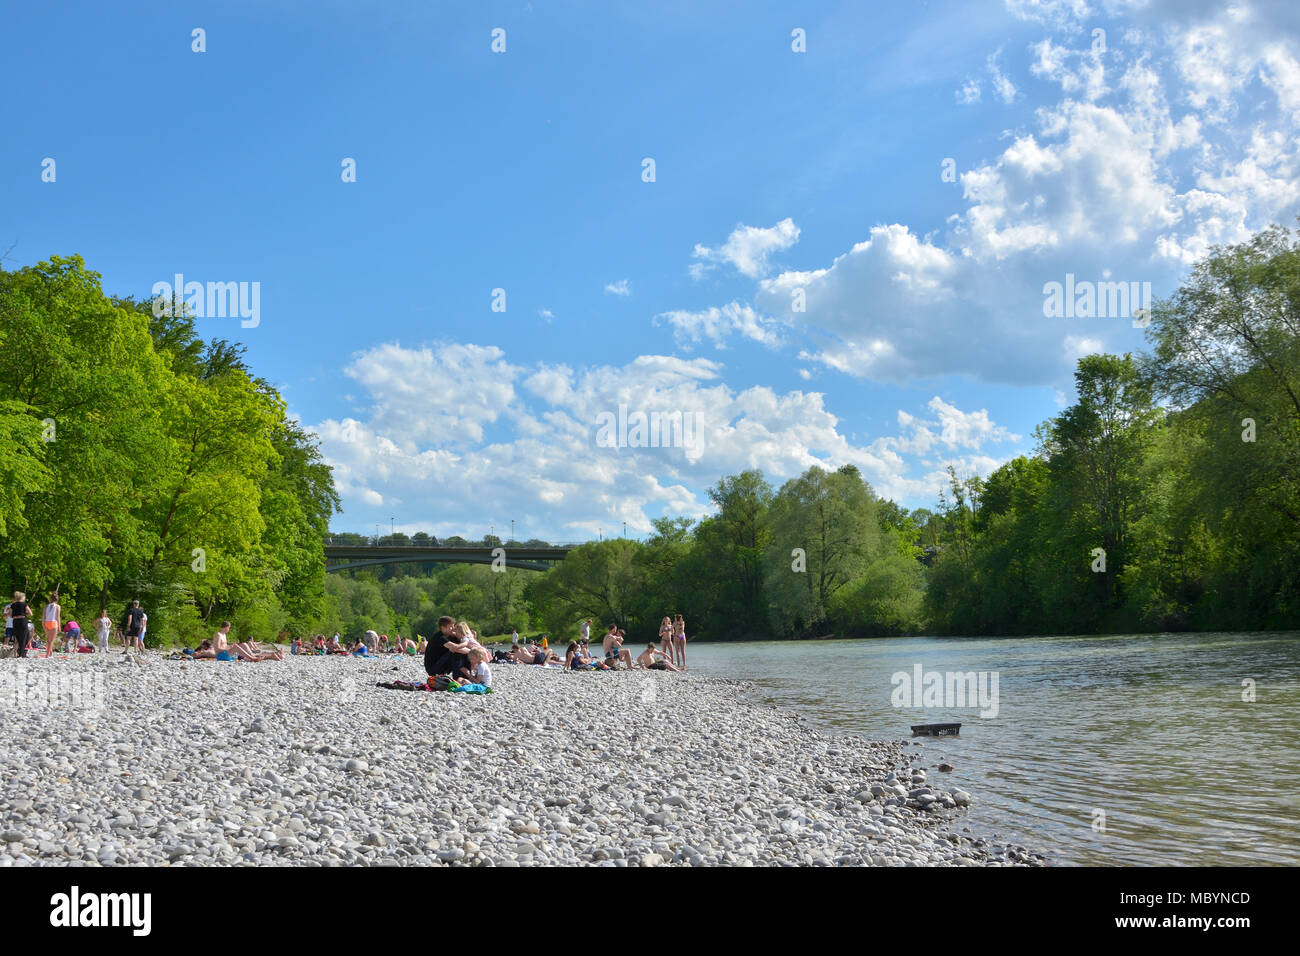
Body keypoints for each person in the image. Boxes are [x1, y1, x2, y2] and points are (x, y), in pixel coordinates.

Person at [10, 592, 30, 658]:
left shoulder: (13, 605)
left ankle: (19, 652)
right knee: (25, 637)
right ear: (22, 597)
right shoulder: (24, 604)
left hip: (15, 621)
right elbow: (30, 613)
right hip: (22, 620)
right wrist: (25, 612)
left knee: (17, 637)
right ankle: (21, 653)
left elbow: (10, 615)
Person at [42, 591, 61, 659]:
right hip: (53, 623)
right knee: (51, 640)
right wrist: (59, 626)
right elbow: (57, 617)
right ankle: (47, 655)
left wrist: (43, 625)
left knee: (48, 639)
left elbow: (43, 617)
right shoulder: (57, 606)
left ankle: (50, 653)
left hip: (46, 622)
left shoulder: (46, 606)